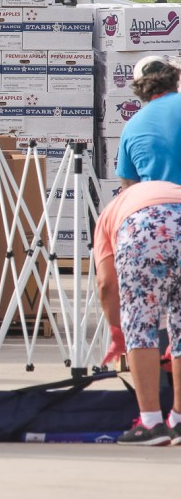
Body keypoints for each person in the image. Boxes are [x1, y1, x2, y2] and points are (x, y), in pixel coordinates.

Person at [93, 180, 181, 445]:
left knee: (140, 324)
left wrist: (118, 332)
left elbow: (107, 284)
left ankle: (151, 423)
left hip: (144, 230)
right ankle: (178, 420)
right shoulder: (171, 189)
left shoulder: (110, 213)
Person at [117, 55, 181, 187]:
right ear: (174, 78)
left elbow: (129, 185)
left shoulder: (131, 127)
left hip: (155, 205)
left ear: (138, 88)